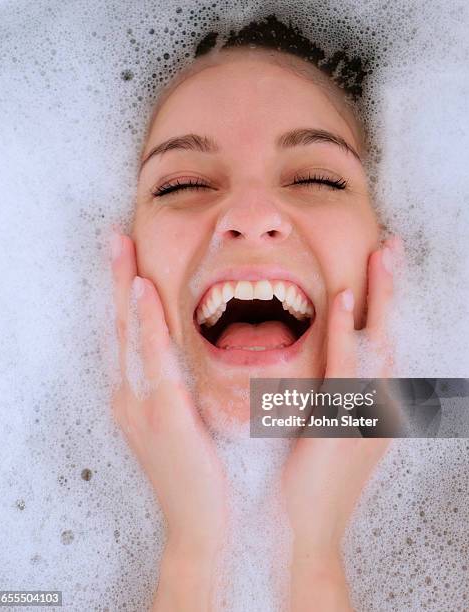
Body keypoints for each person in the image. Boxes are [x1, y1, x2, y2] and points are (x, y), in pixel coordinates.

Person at [110, 16, 403, 611]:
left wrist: (301, 549)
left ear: (389, 240)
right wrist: (202, 547)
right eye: (182, 184)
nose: (249, 212)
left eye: (316, 177)